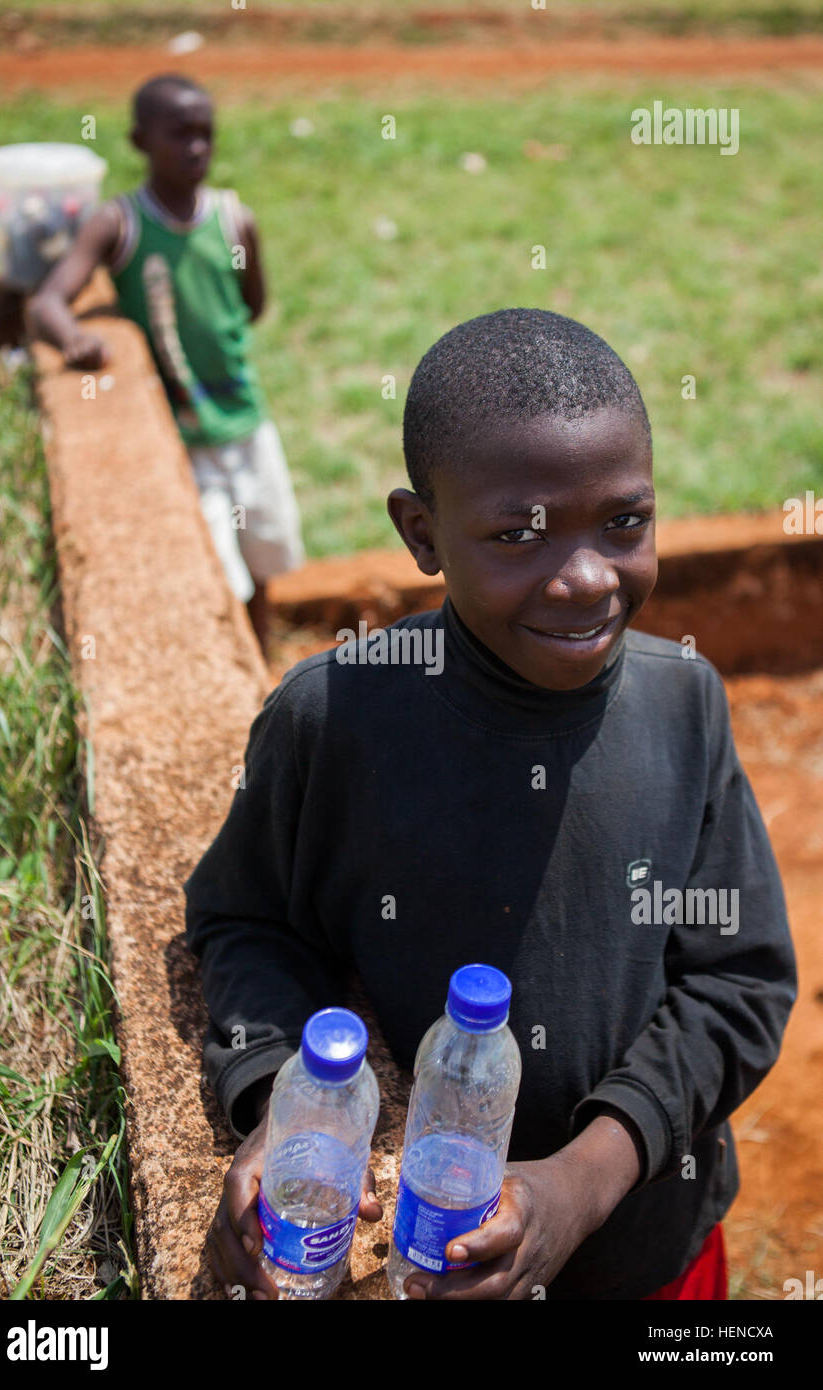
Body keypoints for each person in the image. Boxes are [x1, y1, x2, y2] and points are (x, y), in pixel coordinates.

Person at [184, 308, 797, 1300]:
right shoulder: (331, 719)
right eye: (518, 534)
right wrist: (282, 1115)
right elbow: (242, 920)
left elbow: (735, 986)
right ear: (420, 533)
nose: (586, 577)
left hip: (647, 1255)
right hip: (422, 1261)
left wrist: (581, 1183)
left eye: (624, 522)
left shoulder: (684, 705)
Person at [26, 73, 304, 655]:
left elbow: (251, 303)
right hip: (181, 436)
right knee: (220, 570)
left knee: (265, 552)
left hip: (245, 420)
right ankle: (239, 669)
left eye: (206, 134)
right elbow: (46, 302)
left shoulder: (234, 221)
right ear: (139, 140)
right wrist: (73, 339)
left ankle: (268, 657)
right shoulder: (120, 224)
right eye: (180, 134)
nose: (197, 147)